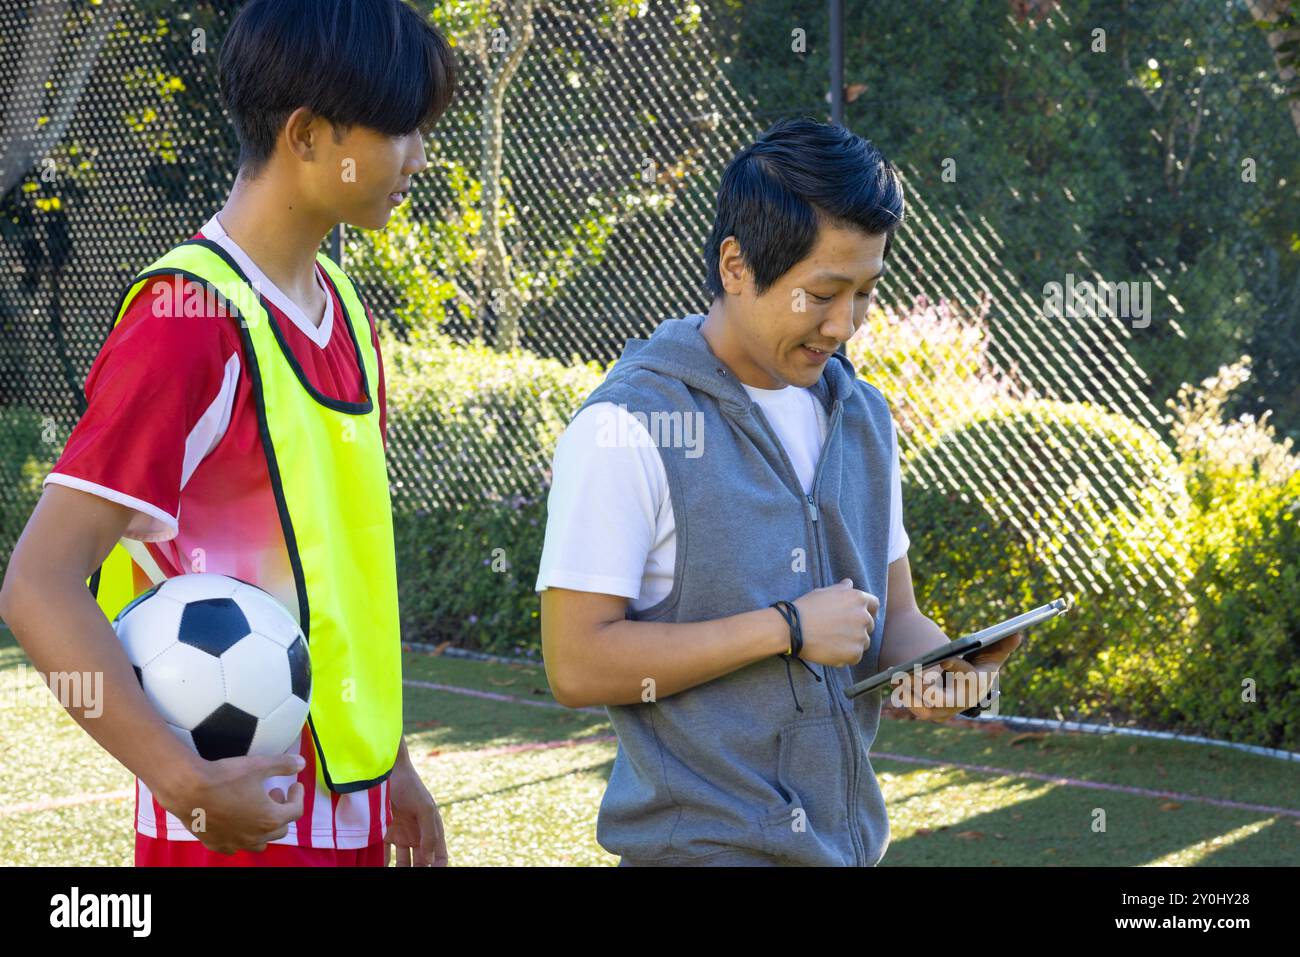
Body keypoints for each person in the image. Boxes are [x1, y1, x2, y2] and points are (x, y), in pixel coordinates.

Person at [0, 0, 457, 868]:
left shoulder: (347, 316)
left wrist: (389, 759)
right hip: (239, 825)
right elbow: (37, 585)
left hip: (353, 809)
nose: (418, 158)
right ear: (310, 134)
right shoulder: (187, 321)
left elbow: (338, 580)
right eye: (400, 129)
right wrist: (183, 779)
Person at [537, 117, 1024, 866]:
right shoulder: (626, 426)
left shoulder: (863, 417)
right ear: (736, 264)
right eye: (822, 293)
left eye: (865, 292)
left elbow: (894, 617)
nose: (845, 324)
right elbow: (576, 663)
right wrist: (786, 627)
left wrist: (950, 670)